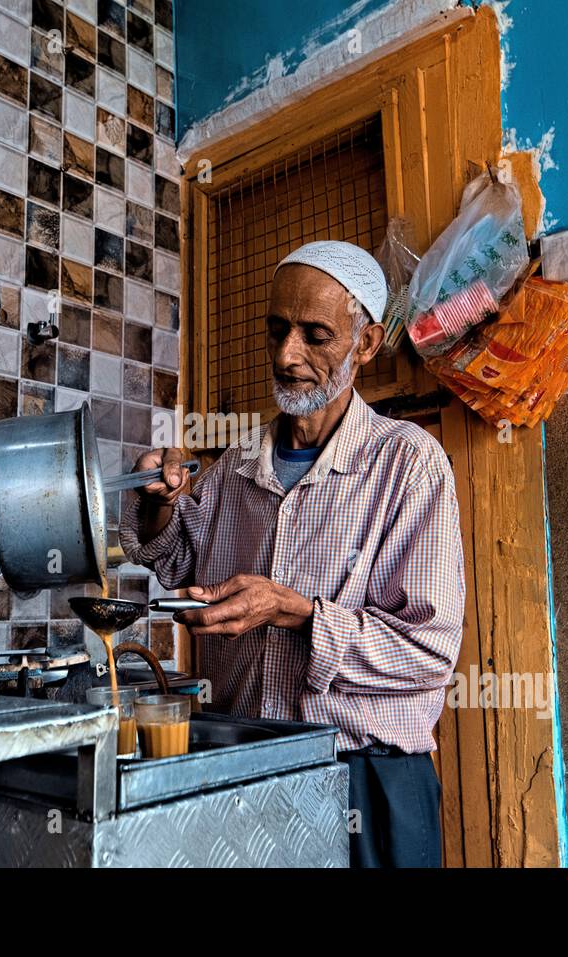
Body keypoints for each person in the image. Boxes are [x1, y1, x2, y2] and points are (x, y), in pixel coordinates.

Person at [119, 240, 467, 867]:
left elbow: (428, 655)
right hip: (246, 764)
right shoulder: (234, 469)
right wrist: (158, 499)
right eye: (277, 330)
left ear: (366, 344)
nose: (287, 355)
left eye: (316, 335)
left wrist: (297, 610)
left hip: (366, 775)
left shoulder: (407, 465)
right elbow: (173, 560)